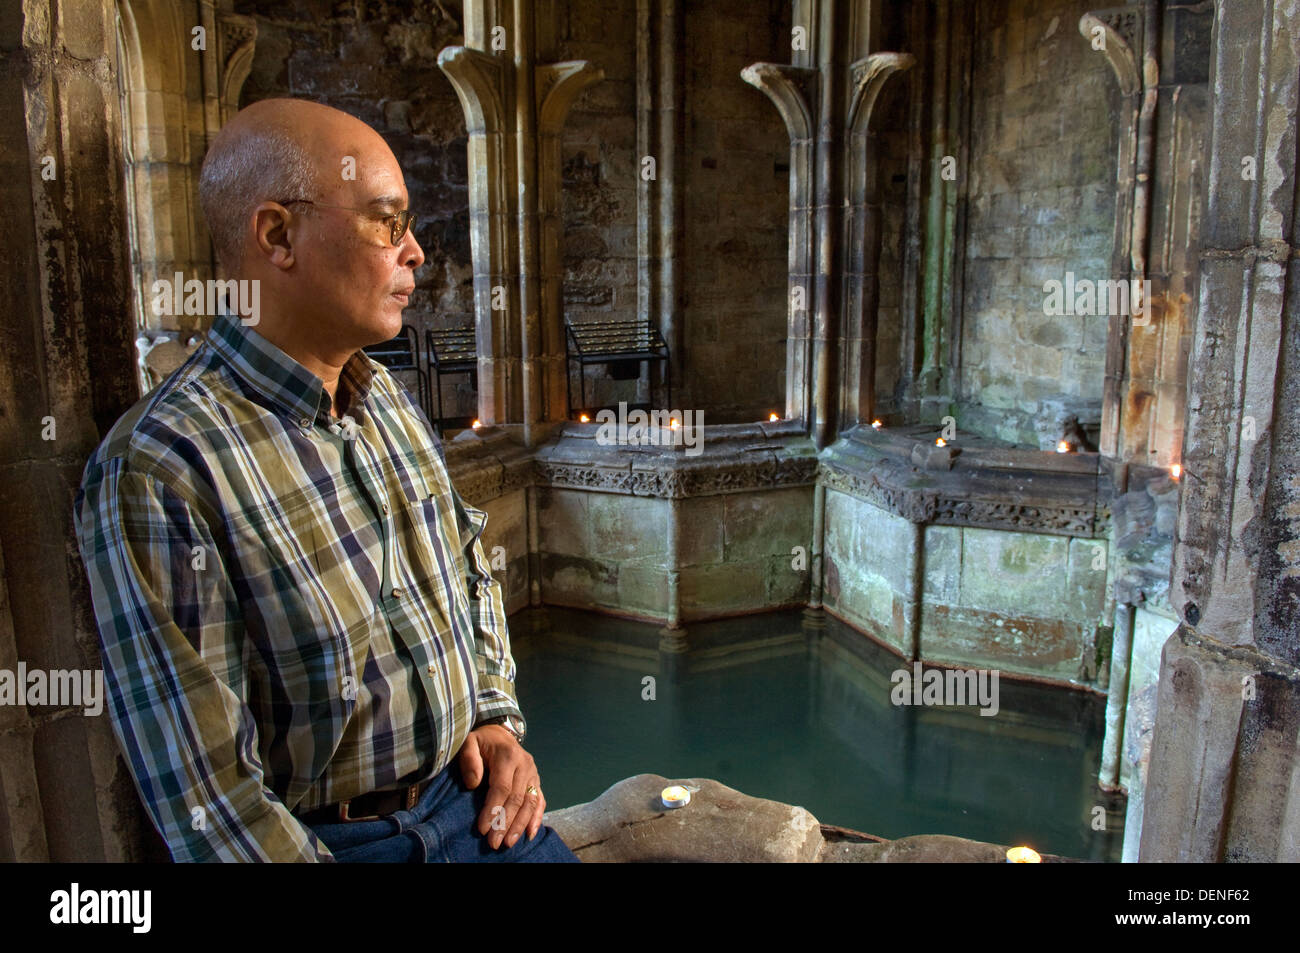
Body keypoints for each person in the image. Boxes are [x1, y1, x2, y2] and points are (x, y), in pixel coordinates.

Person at [73, 98, 577, 862]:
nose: (414, 253)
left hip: (472, 804)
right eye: (387, 221)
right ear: (277, 235)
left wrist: (495, 717)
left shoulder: (385, 401)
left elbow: (471, 570)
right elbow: (214, 802)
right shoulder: (161, 468)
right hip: (338, 844)